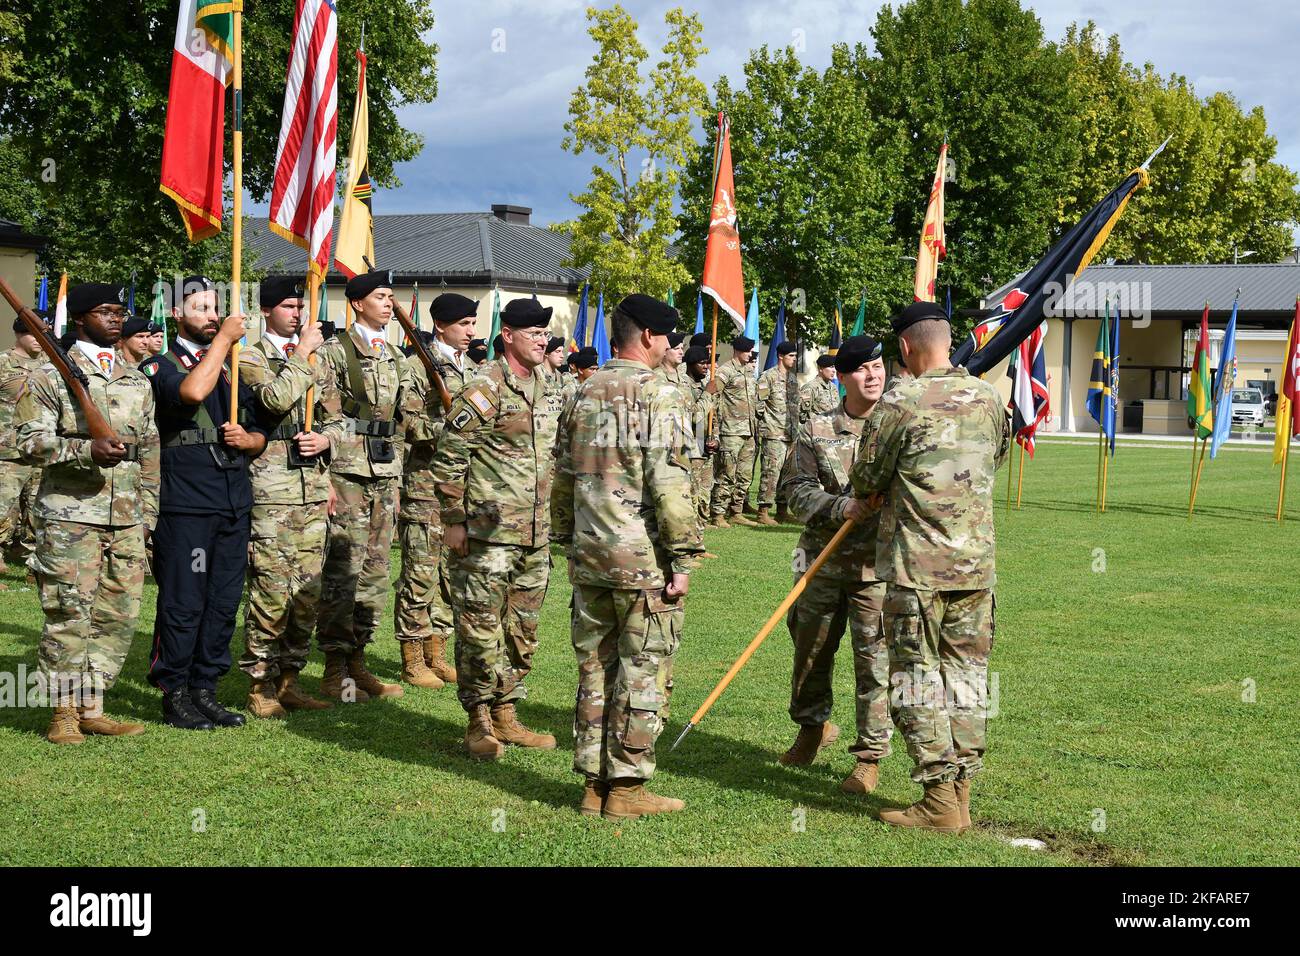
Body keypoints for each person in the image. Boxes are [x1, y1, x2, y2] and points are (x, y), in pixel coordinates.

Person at [850, 301, 1011, 833]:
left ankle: (941, 797)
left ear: (903, 347)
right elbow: (996, 457)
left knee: (915, 678)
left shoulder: (900, 402)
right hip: (976, 567)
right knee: (967, 679)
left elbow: (867, 477)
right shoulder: (988, 398)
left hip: (918, 570)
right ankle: (961, 789)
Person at [551, 294, 702, 818]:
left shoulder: (582, 390)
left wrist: (564, 539)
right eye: (666, 336)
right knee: (642, 671)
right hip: (643, 562)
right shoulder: (660, 394)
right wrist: (682, 559)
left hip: (591, 555)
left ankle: (594, 785)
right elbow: (671, 483)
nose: (671, 345)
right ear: (646, 337)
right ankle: (628, 788)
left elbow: (563, 477)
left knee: (596, 670)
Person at [16, 284, 160, 742]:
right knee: (69, 613)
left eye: (120, 312)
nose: (116, 319)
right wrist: (84, 450)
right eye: (105, 312)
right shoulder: (48, 376)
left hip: (127, 516)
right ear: (80, 319)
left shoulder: (135, 377)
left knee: (117, 615)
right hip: (70, 515)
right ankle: (62, 712)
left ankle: (92, 705)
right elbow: (25, 441)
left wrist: (149, 509)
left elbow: (150, 446)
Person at [432, 296, 560, 759]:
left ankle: (507, 711)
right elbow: (449, 457)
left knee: (522, 630)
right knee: (480, 630)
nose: (542, 342)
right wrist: (453, 522)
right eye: (533, 335)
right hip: (487, 535)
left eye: (545, 335)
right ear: (508, 336)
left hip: (535, 534)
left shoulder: (549, 384)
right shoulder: (486, 388)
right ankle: (478, 720)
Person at [142, 275, 268, 730]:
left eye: (216, 309)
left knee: (222, 601)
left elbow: (260, 430)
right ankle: (174, 691)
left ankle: (205, 688)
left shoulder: (231, 369)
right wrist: (226, 342)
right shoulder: (161, 364)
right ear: (177, 314)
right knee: (184, 601)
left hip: (232, 502)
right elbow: (192, 392)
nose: (213, 318)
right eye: (201, 308)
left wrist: (249, 439)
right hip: (187, 505)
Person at [780, 335, 894, 793]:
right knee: (810, 652)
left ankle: (869, 756)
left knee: (874, 663)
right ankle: (812, 729)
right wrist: (838, 507)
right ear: (843, 377)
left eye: (880, 366)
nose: (875, 376)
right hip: (821, 562)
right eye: (864, 369)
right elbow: (795, 492)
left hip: (877, 567)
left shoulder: (898, 427)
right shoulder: (817, 430)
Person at [236, 276, 342, 717]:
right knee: (271, 590)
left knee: (307, 593)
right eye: (287, 306)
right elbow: (274, 402)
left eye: (301, 306)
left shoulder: (317, 359)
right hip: (271, 490)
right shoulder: (248, 356)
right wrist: (302, 354)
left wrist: (328, 443)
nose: (297, 313)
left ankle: (290, 679)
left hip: (312, 489)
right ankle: (259, 684)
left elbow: (339, 417)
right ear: (266, 312)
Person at [314, 269, 410, 701]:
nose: (389, 304)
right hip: (348, 471)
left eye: (391, 296)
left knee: (375, 571)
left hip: (385, 473)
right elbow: (323, 416)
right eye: (380, 296)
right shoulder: (335, 352)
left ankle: (359, 661)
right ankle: (335, 667)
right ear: (356, 303)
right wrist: (326, 477)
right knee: (342, 570)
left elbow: (403, 420)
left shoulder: (395, 354)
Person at [394, 291, 478, 689]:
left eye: (473, 323)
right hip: (425, 485)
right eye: (464, 324)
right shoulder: (416, 368)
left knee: (449, 573)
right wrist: (452, 429)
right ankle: (412, 656)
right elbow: (408, 424)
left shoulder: (472, 369)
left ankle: (437, 651)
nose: (471, 331)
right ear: (441, 325)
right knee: (420, 573)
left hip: (458, 491)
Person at [0, 315, 48, 574]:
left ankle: (35, 566)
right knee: (3, 509)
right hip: (7, 452)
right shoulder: (3, 362)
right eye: (33, 333)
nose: (39, 339)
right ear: (19, 333)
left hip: (40, 450)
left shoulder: (49, 365)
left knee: (38, 511)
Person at [708, 335, 759, 528]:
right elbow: (712, 397)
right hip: (730, 431)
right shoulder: (725, 371)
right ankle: (718, 514)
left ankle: (736, 511)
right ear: (738, 351)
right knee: (726, 474)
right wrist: (714, 430)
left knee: (744, 475)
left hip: (749, 431)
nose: (750, 355)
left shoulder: (748, 372)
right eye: (747, 352)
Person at [755, 340, 797, 524]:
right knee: (771, 473)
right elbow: (759, 404)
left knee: (787, 475)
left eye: (796, 356)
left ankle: (782, 510)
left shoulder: (793, 379)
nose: (794, 359)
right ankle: (763, 512)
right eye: (791, 356)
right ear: (781, 356)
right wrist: (766, 426)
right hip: (773, 432)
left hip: (791, 434)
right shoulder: (767, 377)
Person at [683, 345, 718, 527]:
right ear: (690, 364)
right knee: (693, 496)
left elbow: (714, 419)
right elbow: (694, 416)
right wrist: (707, 395)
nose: (706, 367)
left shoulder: (705, 386)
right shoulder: (684, 386)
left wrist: (715, 440)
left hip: (705, 448)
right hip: (691, 450)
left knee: (705, 494)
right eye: (702, 363)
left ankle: (700, 533)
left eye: (707, 363)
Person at [799, 354, 841, 424]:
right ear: (821, 369)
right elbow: (802, 415)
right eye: (831, 367)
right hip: (817, 432)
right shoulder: (810, 387)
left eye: (834, 367)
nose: (834, 370)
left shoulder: (833, 387)